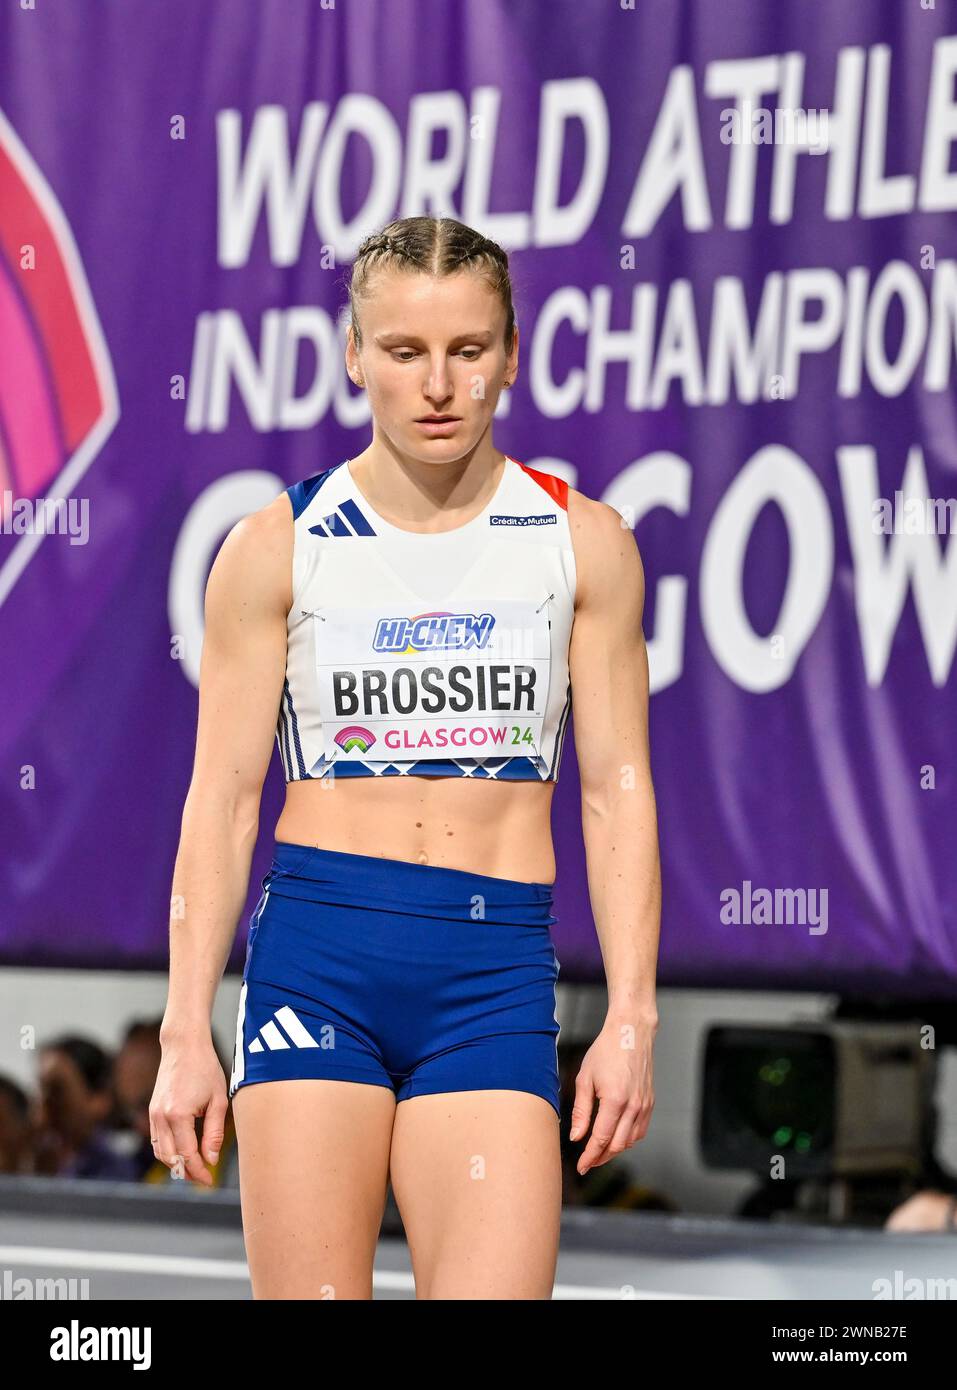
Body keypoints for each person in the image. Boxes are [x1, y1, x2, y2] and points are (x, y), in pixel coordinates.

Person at [151, 215, 661, 1299]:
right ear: (353, 354)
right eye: (404, 352)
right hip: (319, 963)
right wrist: (183, 1026)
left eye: (469, 351)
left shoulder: (585, 543)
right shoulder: (273, 549)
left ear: (513, 354)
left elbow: (618, 793)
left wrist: (632, 1014)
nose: (438, 384)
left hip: (492, 978)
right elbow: (225, 799)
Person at [31, 1035, 140, 1181]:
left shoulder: (117, 1164)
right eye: (41, 1089)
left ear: (98, 1099)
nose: (44, 1104)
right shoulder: (35, 1156)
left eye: (58, 1091)